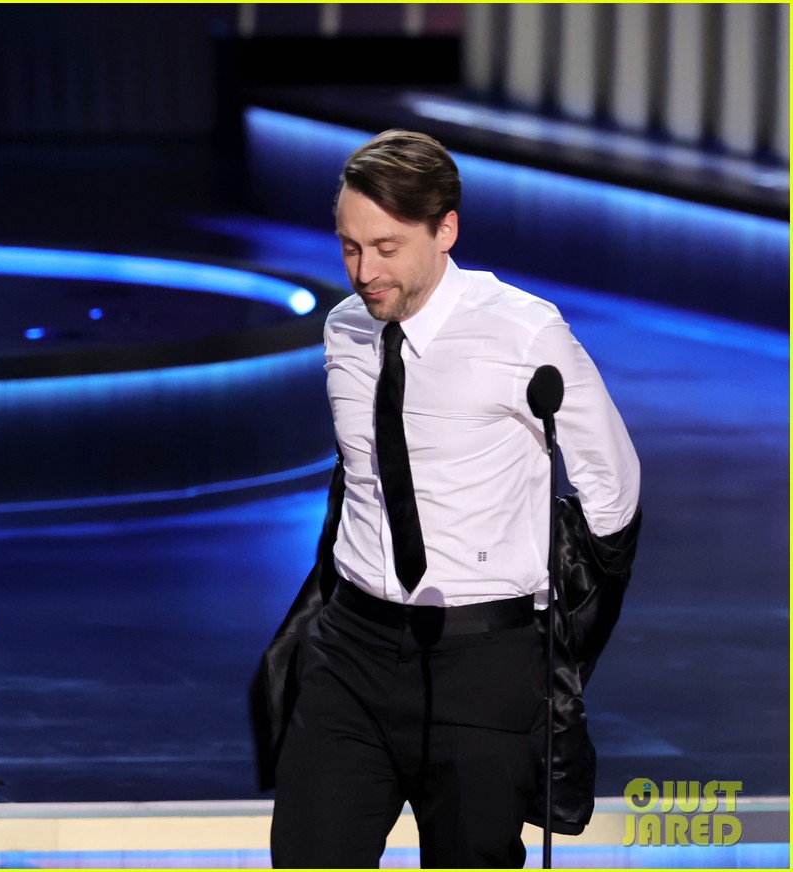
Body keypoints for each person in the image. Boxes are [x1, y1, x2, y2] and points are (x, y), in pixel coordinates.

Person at [266, 130, 641, 868]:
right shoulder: (344, 329)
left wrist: (558, 641)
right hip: (350, 653)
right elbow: (361, 476)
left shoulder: (523, 331)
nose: (364, 271)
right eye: (348, 247)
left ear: (445, 230)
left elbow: (613, 489)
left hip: (483, 661)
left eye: (386, 246)